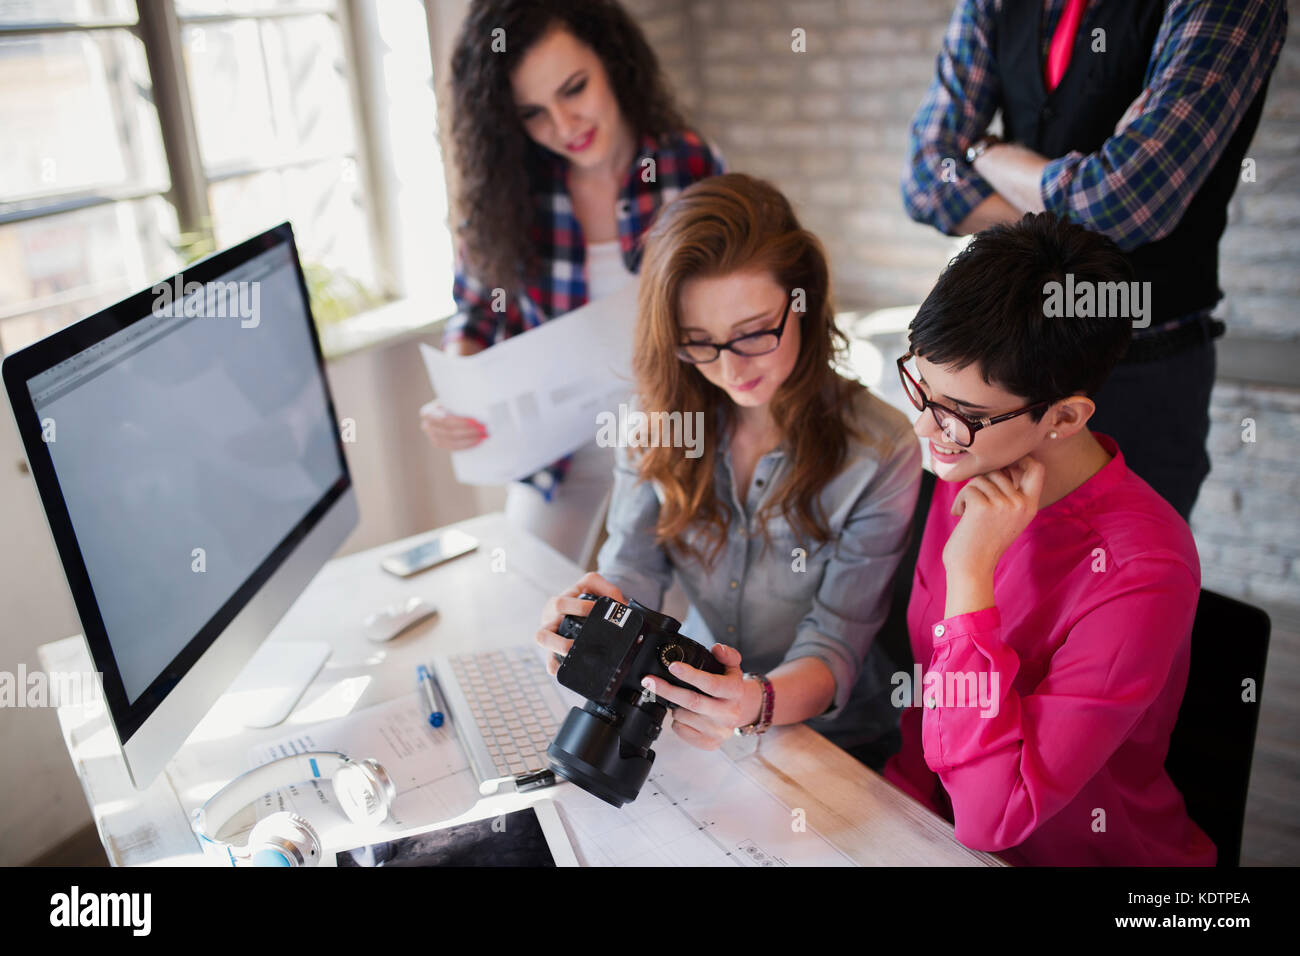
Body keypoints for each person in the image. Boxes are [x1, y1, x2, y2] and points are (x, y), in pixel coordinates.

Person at [535, 174, 922, 769]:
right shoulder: (658, 421)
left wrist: (752, 703)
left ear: (804, 300)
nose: (730, 369)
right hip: (712, 723)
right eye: (699, 342)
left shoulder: (879, 448)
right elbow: (632, 569)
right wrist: (592, 627)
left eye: (753, 334)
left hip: (837, 741)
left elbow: (837, 642)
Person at [884, 211, 1216, 865]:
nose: (927, 430)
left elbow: (990, 816)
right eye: (923, 388)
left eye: (963, 415)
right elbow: (927, 719)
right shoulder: (968, 466)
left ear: (1065, 416)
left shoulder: (1142, 567)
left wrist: (971, 579)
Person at [902, 0, 1288, 520]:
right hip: (999, 378)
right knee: (989, 567)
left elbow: (1123, 201)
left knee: (1123, 570)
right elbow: (927, 181)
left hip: (1144, 362)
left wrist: (984, 154)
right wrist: (1071, 209)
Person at [420, 0, 725, 565]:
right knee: (524, 582)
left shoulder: (686, 164)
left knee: (678, 613)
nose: (564, 127)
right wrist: (458, 388)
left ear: (611, 61)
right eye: (533, 113)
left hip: (678, 436)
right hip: (557, 452)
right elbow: (476, 312)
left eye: (574, 89)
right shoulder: (509, 189)